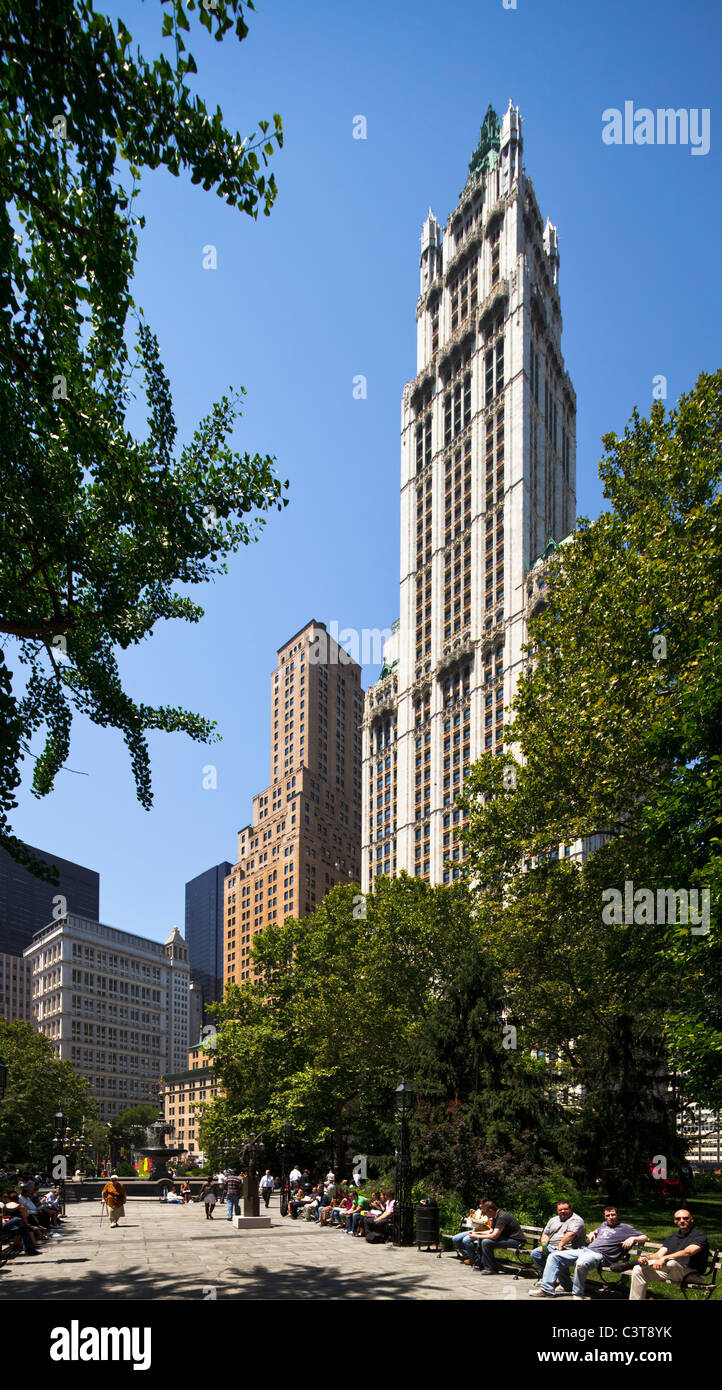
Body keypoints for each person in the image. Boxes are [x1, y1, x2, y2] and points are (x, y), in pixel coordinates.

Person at [536, 1204, 647, 1300]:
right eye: (608, 1215)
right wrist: (593, 1232)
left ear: (617, 1215)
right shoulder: (604, 1224)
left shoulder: (625, 1228)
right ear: (605, 1216)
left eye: (613, 1215)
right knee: (554, 1256)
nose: (610, 1217)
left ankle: (578, 1293)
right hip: (585, 1250)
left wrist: (633, 1238)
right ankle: (547, 1289)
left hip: (600, 1255)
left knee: (581, 1263)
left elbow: (645, 1237)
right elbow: (598, 1230)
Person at [629, 1209, 708, 1301]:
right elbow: (659, 1254)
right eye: (678, 1219)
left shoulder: (699, 1237)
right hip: (670, 1272)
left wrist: (664, 1258)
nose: (682, 1220)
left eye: (685, 1218)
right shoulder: (671, 1237)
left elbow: (688, 1252)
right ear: (675, 1221)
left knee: (671, 1263)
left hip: (691, 1275)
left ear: (691, 1219)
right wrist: (646, 1258)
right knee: (637, 1269)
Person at [528, 1200, 586, 1293]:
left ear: (570, 1209)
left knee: (557, 1256)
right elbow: (545, 1234)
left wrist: (560, 1245)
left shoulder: (576, 1220)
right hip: (551, 1246)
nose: (562, 1211)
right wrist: (544, 1245)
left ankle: (565, 1284)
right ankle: (548, 1278)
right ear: (557, 1211)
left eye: (565, 1209)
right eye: (560, 1210)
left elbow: (570, 1235)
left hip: (570, 1249)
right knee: (536, 1254)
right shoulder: (553, 1220)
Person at [476, 1200, 525, 1274]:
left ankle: (490, 1268)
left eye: (486, 1213)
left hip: (516, 1241)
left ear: (491, 1210)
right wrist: (478, 1234)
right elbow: (491, 1231)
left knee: (486, 1242)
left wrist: (476, 1235)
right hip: (507, 1238)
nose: (486, 1215)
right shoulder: (495, 1216)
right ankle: (481, 1263)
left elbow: (494, 1236)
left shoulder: (502, 1217)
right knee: (481, 1239)